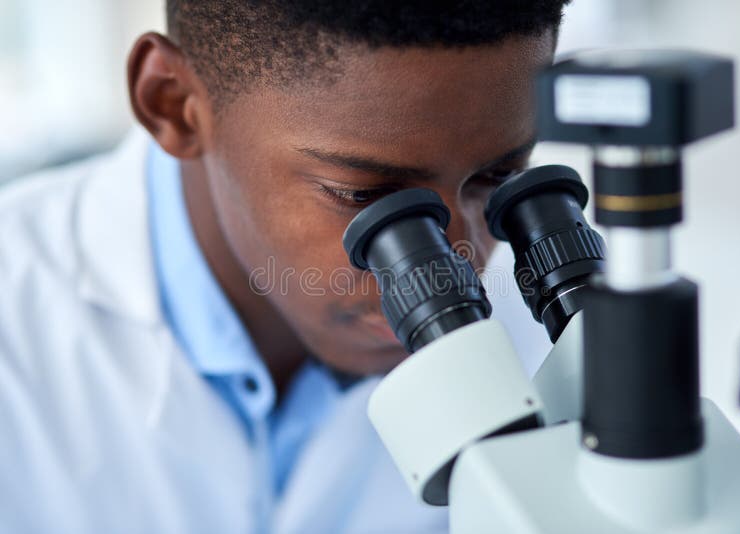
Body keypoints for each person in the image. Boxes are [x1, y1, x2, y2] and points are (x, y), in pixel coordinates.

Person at [0, 1, 566, 532]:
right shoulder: (16, 326)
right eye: (365, 195)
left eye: (498, 177)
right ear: (174, 103)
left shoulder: (564, 340)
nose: (459, 262)